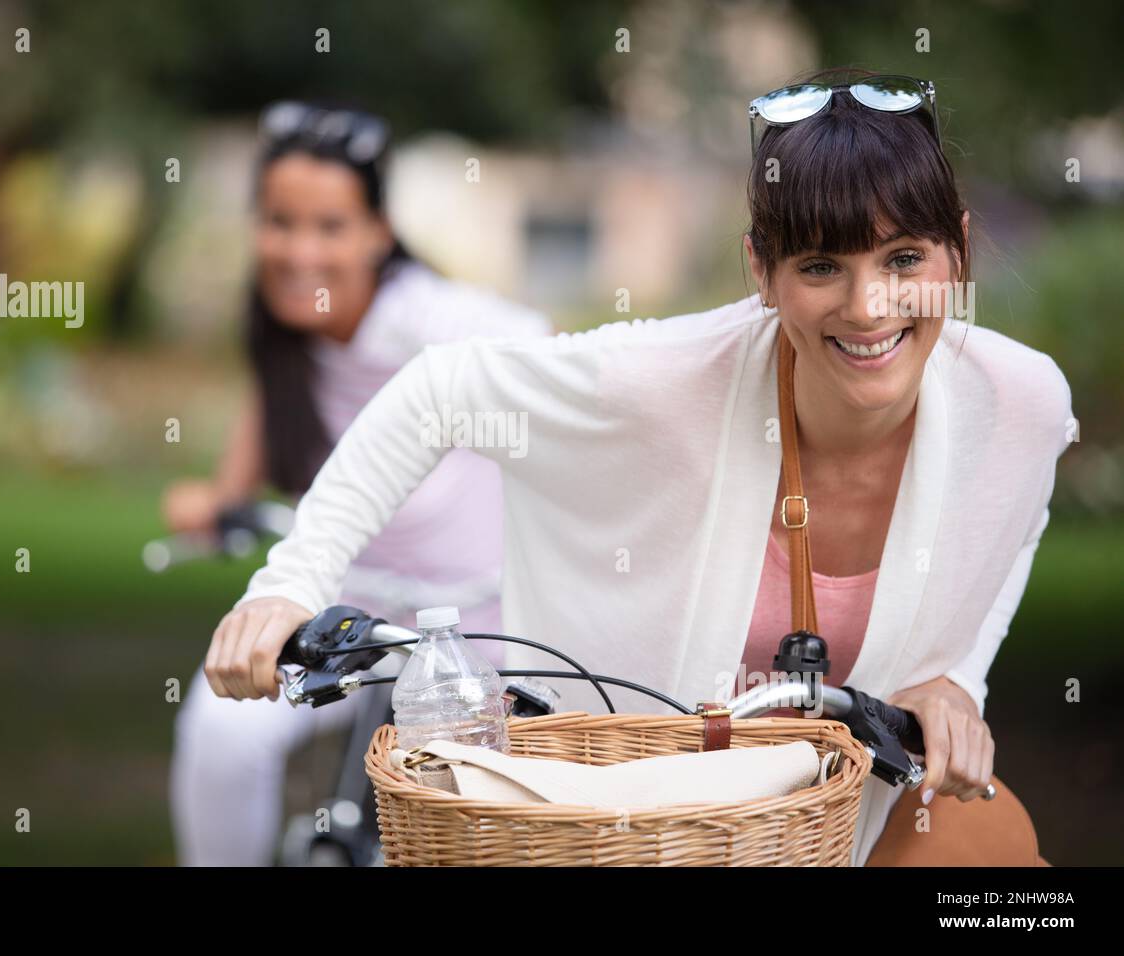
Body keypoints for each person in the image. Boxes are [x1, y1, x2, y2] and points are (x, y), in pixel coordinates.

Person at [202, 71, 1075, 867]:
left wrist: (958, 673)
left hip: (853, 818)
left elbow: (1016, 517)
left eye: (904, 260)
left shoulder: (1021, 403)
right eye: (820, 266)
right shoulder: (668, 380)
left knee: (1008, 882)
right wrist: (292, 584)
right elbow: (438, 391)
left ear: (956, 254)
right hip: (643, 826)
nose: (868, 305)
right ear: (761, 272)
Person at [168, 101, 551, 866]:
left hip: (474, 620)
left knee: (476, 812)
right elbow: (264, 424)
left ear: (379, 233)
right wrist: (215, 501)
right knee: (219, 734)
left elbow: (549, 356)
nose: (300, 249)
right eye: (280, 221)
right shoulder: (289, 332)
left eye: (330, 227)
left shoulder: (429, 316)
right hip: (346, 606)